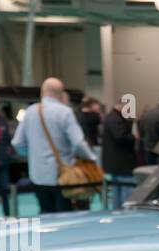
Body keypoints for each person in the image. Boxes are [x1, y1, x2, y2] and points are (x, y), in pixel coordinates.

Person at [11, 76, 97, 215]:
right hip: (62, 176)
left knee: (45, 214)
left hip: (37, 175)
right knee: (65, 216)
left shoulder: (30, 111)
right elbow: (78, 143)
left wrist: (33, 155)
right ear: (60, 93)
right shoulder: (65, 112)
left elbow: (17, 143)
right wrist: (92, 158)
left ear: (42, 91)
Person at [101, 100, 138, 208]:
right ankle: (125, 212)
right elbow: (120, 137)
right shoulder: (115, 119)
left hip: (115, 162)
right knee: (126, 189)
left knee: (117, 189)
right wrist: (133, 137)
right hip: (121, 162)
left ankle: (118, 211)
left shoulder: (112, 117)